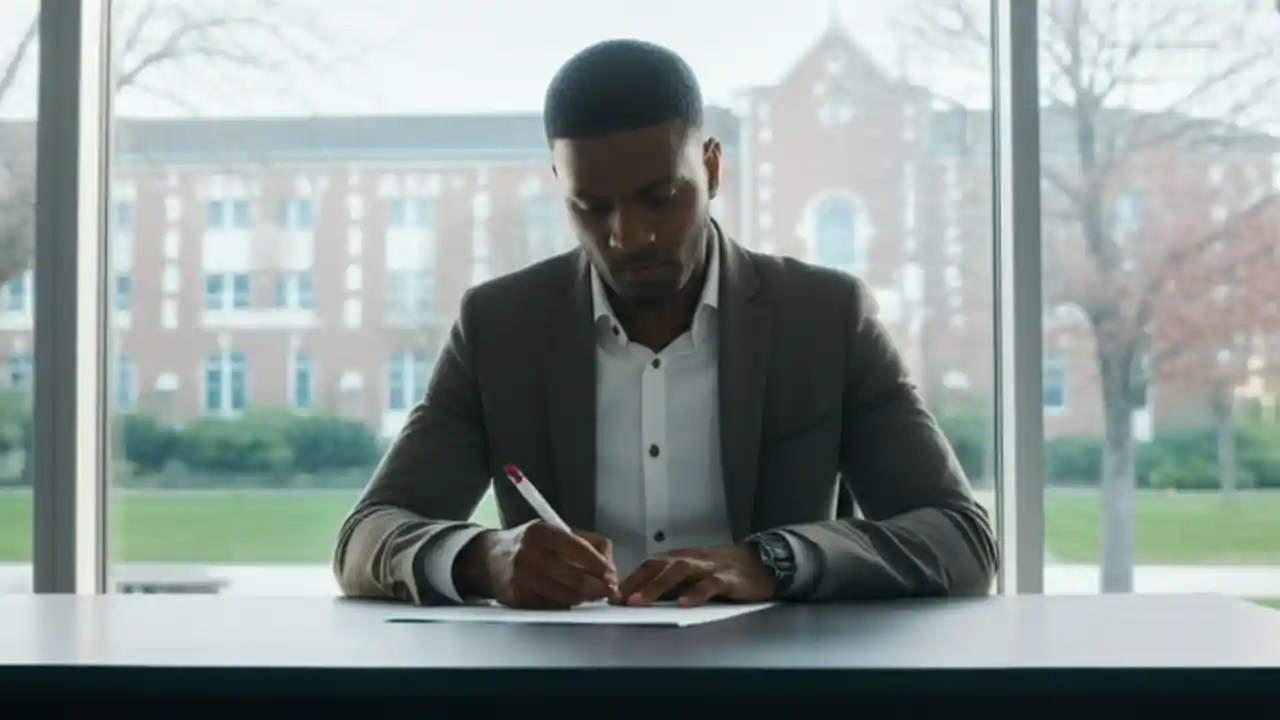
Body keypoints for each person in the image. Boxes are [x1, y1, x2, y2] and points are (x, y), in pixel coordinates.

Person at [333, 38, 997, 609]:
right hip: (564, 693)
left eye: (661, 197)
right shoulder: (500, 327)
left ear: (710, 167)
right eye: (591, 206)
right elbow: (364, 538)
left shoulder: (823, 319)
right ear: (559, 185)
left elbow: (962, 539)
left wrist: (774, 561)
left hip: (772, 692)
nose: (629, 236)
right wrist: (483, 556)